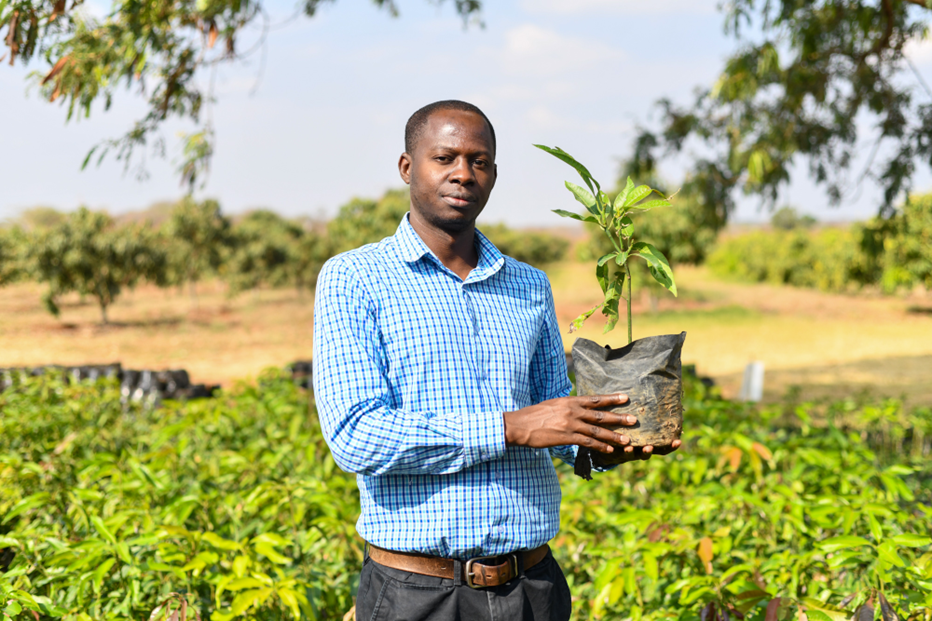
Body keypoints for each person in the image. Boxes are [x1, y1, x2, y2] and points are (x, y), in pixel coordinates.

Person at [312, 100, 681, 621]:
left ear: (493, 174)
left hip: (531, 588)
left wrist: (607, 442)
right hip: (416, 593)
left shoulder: (528, 285)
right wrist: (508, 427)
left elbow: (553, 420)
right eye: (445, 158)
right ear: (407, 167)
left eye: (479, 161)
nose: (463, 173)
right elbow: (356, 435)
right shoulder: (354, 279)